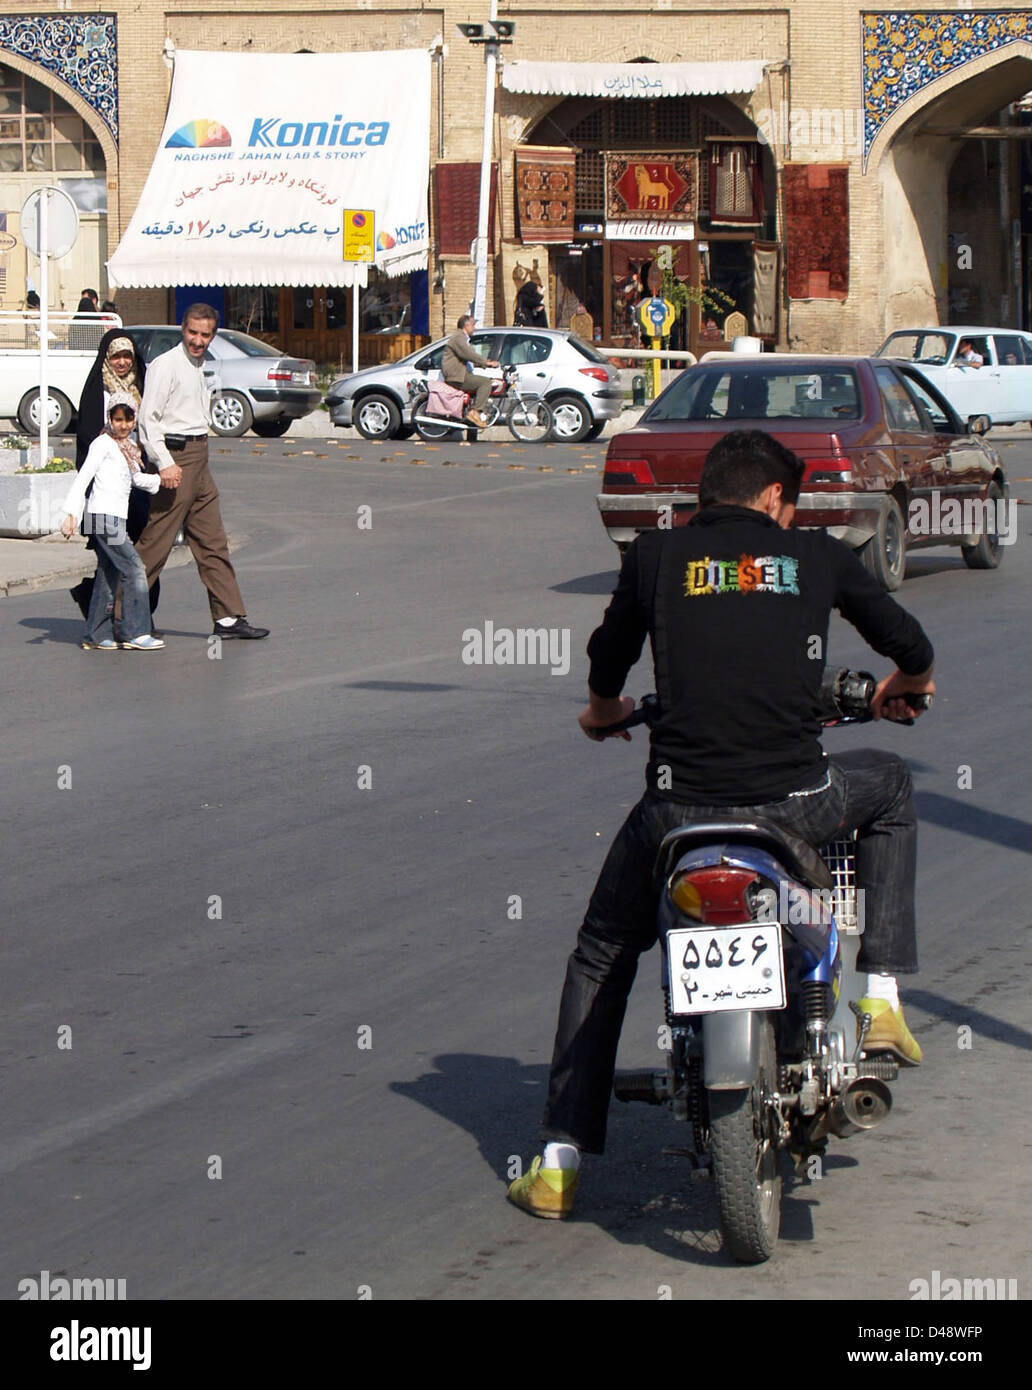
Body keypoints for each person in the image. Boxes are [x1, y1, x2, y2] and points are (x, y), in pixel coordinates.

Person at [508, 429, 936, 1220]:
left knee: (603, 954)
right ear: (776, 499)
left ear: (707, 496)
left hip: (679, 812)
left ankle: (560, 1160)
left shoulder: (653, 558)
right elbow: (913, 648)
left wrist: (606, 715)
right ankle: (879, 995)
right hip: (798, 802)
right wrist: (899, 686)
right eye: (791, 502)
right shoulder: (817, 556)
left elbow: (606, 670)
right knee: (894, 787)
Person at [135, 303, 269, 640]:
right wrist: (164, 462)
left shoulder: (199, 363)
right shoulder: (166, 366)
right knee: (157, 542)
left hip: (199, 454)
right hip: (176, 456)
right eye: (192, 332)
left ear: (213, 335)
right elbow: (148, 419)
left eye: (205, 335)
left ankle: (228, 618)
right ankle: (120, 613)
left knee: (211, 540)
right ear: (183, 329)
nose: (198, 340)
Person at [59, 392, 164, 652]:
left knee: (109, 574)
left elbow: (138, 480)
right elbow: (84, 477)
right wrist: (71, 513)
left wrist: (163, 480)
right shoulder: (103, 444)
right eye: (117, 419)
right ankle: (135, 632)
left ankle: (96, 634)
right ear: (109, 418)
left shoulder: (126, 447)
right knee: (134, 568)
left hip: (113, 518)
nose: (123, 425)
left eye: (128, 420)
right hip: (102, 518)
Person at [70, 330, 157, 620]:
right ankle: (124, 621)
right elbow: (86, 439)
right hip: (106, 489)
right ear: (106, 357)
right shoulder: (98, 388)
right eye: (116, 356)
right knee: (116, 559)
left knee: (140, 551)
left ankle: (125, 618)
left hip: (138, 484)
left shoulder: (142, 385)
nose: (121, 362)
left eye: (127, 356)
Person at [441, 315, 500, 430]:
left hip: (461, 374)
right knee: (485, 383)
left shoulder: (463, 338)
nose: (474, 328)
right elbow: (468, 354)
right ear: (466, 325)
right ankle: (475, 411)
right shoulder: (458, 338)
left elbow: (469, 358)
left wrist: (484, 364)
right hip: (456, 376)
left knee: (482, 381)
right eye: (473, 325)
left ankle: (473, 421)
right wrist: (487, 363)